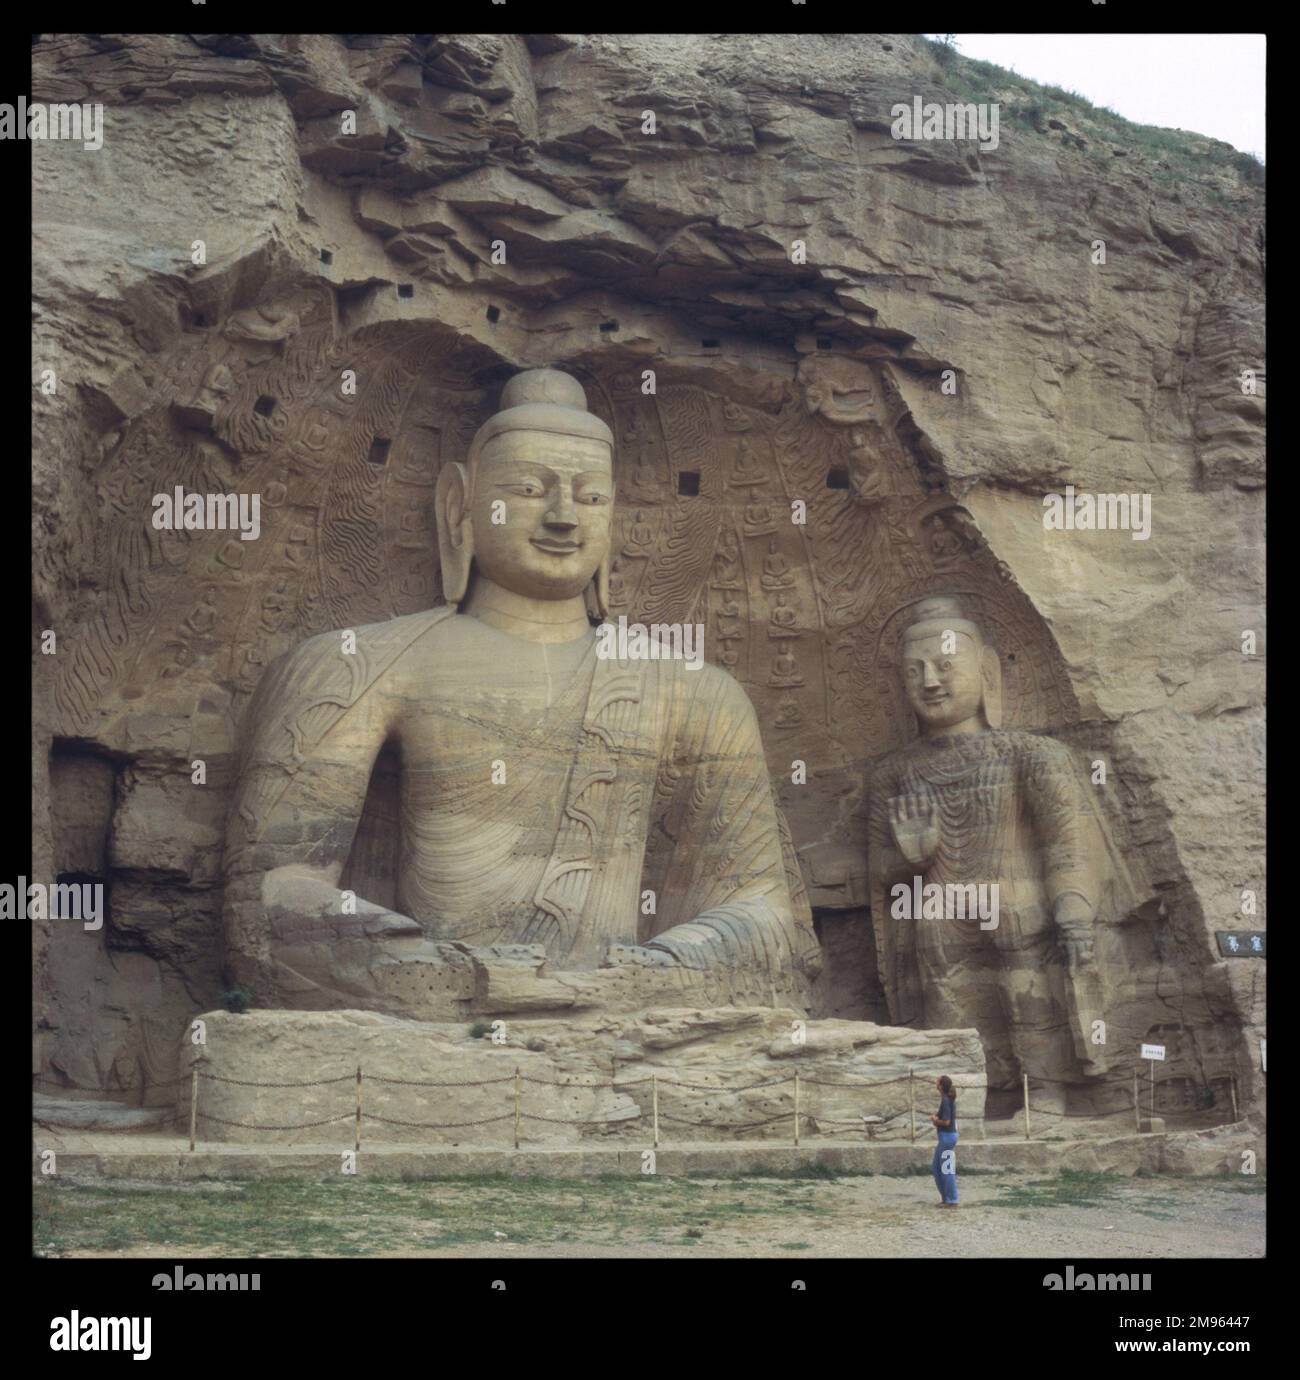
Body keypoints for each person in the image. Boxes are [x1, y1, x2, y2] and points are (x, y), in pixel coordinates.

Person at [930, 1074, 959, 1207]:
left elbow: (947, 1122)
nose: (935, 1082)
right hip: (946, 1137)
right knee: (937, 1168)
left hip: (947, 1137)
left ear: (941, 1085)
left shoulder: (946, 1100)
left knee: (946, 1169)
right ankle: (946, 1198)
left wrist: (936, 1121)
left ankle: (951, 1200)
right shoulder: (946, 1099)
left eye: (937, 1081)